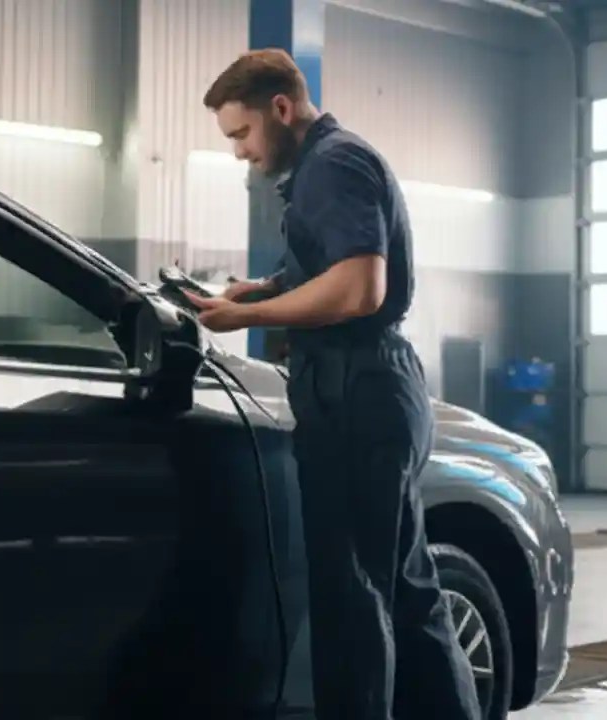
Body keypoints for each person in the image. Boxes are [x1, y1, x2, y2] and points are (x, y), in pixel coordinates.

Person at [191, 49, 483, 720]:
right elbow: (337, 271)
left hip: (358, 387)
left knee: (353, 600)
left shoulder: (332, 165)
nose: (240, 153)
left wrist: (248, 315)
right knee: (403, 590)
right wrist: (265, 288)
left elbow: (359, 288)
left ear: (282, 108)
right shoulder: (329, 164)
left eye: (241, 134)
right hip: (369, 383)